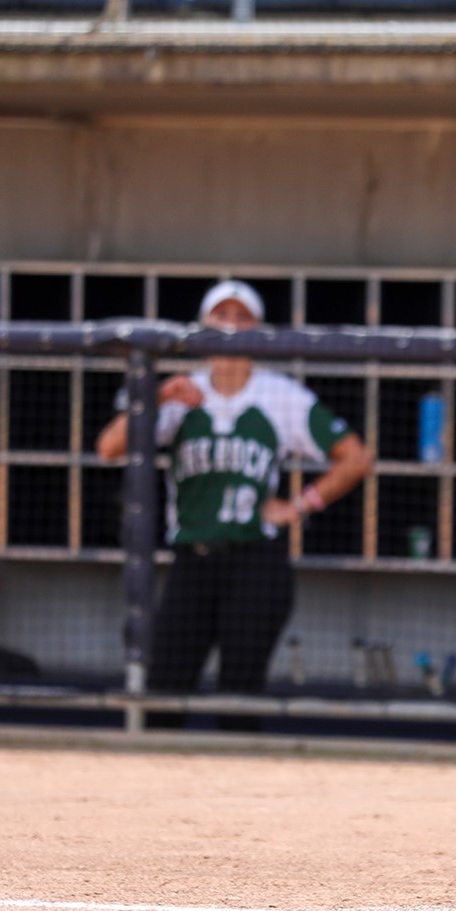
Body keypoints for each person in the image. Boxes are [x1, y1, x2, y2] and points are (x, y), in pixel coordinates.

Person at [94, 280, 373, 728]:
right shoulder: (182, 392)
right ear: (202, 326)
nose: (230, 326)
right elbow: (108, 447)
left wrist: (300, 504)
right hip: (193, 559)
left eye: (241, 317)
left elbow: (356, 456)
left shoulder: (279, 395)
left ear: (258, 330)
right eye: (220, 316)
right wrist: (160, 393)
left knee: (239, 699)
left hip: (255, 562)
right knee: (164, 693)